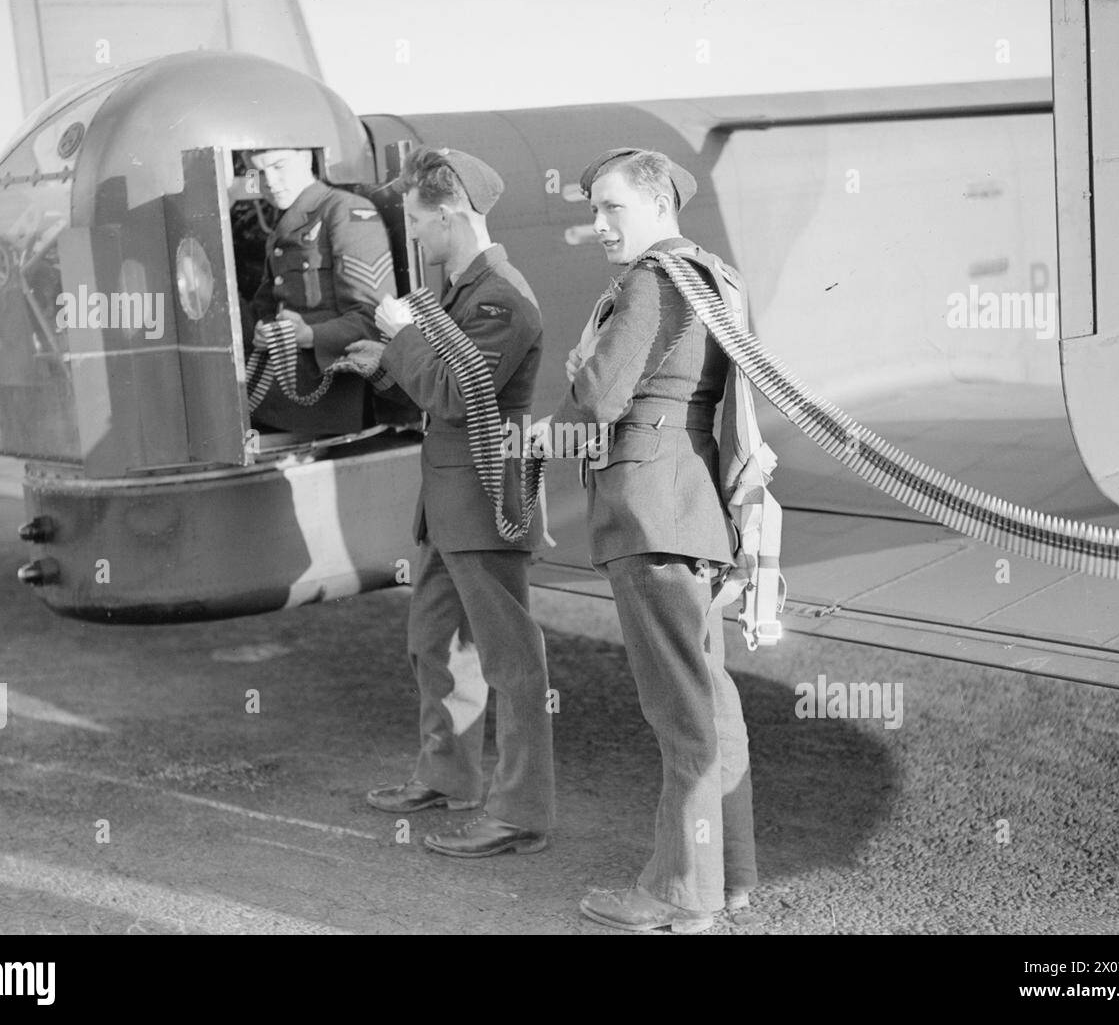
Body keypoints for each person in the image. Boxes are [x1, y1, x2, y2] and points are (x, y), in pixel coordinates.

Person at [539, 148, 757, 932]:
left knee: (681, 716)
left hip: (648, 512)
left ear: (659, 204)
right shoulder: (713, 276)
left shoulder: (652, 280)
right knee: (711, 707)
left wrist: (536, 437)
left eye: (611, 209)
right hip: (694, 512)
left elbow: (598, 398)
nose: (597, 226)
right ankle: (727, 878)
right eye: (592, 210)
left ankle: (677, 893)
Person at [345, 147, 555, 858]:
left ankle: (520, 814)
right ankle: (450, 776)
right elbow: (441, 376)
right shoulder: (468, 289)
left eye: (417, 223)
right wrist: (387, 359)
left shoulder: (502, 295)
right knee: (434, 643)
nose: (416, 239)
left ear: (447, 214)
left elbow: (457, 392)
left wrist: (400, 334)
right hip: (450, 503)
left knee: (511, 661)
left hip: (486, 498)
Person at [240, 147, 398, 436]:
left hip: (331, 392)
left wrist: (309, 335)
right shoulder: (285, 224)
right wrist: (266, 330)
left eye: (278, 166)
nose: (270, 181)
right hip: (288, 383)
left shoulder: (345, 211)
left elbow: (374, 319)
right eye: (260, 172)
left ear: (306, 158)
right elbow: (265, 305)